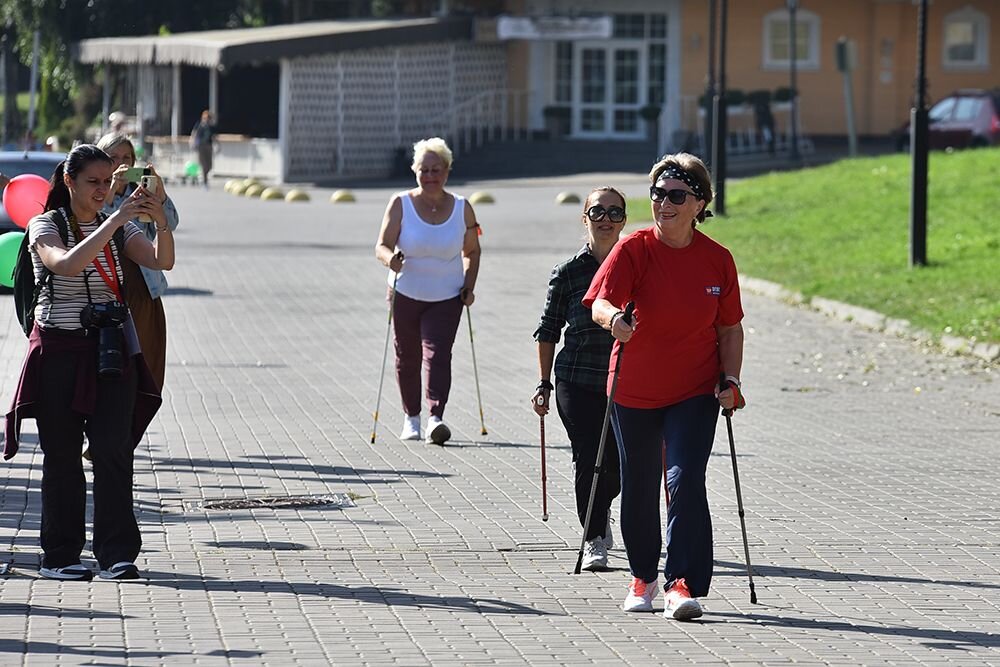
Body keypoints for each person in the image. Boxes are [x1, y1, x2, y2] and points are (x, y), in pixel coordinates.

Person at [582, 153, 745, 621]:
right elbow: (600, 300)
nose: (664, 204)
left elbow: (730, 329)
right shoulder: (633, 249)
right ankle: (643, 577)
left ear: (699, 203)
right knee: (639, 485)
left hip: (694, 389)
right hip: (633, 389)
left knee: (684, 479)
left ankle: (681, 583)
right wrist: (614, 319)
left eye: (677, 196)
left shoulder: (717, 260)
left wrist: (731, 380)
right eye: (658, 194)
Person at [3, 144, 174, 581]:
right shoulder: (47, 225)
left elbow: (161, 260)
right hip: (59, 350)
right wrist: (116, 219)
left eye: (107, 181)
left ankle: (117, 554)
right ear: (70, 182)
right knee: (61, 455)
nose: (102, 191)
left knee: (113, 451)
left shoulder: (118, 228)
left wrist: (159, 221)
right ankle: (59, 556)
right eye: (93, 182)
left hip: (108, 352)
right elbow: (64, 264)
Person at [531, 187, 627, 571]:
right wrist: (543, 384)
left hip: (625, 380)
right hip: (576, 378)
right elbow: (547, 330)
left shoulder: (636, 265)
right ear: (584, 218)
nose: (606, 219)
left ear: (624, 219)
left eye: (615, 212)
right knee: (589, 457)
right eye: (597, 211)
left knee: (621, 463)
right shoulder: (568, 272)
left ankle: (601, 512)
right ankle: (593, 539)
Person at [374, 137, 481, 445]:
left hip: (447, 295)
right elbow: (381, 245)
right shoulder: (400, 203)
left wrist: (469, 286)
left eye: (436, 169)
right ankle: (412, 418)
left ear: (447, 171)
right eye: (424, 170)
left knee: (438, 356)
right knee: (407, 356)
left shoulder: (462, 208)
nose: (430, 176)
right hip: (406, 291)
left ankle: (436, 418)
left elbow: (472, 251)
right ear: (415, 171)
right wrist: (390, 260)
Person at [97, 132, 179, 389]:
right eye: (113, 158)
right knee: (113, 363)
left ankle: (136, 419)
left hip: (143, 285)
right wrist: (111, 190)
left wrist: (161, 195)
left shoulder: (142, 191)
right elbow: (96, 226)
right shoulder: (95, 191)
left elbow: (172, 223)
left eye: (127, 158)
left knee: (147, 361)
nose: (121, 164)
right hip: (107, 288)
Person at [190, 110, 216, 188]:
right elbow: (194, 135)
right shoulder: (199, 126)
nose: (206, 119)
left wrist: (217, 145)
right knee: (204, 164)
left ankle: (205, 177)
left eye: (208, 118)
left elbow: (214, 136)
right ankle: (205, 181)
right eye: (205, 118)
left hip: (209, 145)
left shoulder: (211, 127)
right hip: (201, 146)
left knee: (209, 165)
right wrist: (193, 143)